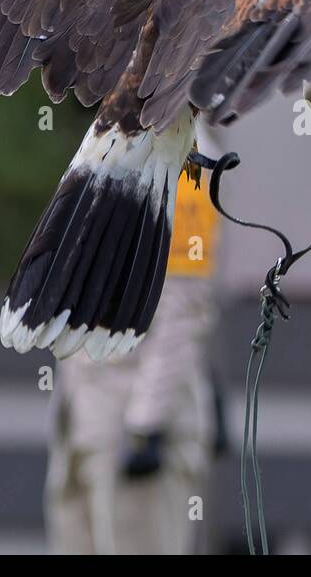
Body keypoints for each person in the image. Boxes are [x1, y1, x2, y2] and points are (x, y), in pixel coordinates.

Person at [46, 169, 222, 555]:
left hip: (135, 434)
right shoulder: (114, 131)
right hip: (86, 424)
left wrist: (145, 424)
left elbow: (185, 309)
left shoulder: (184, 142)